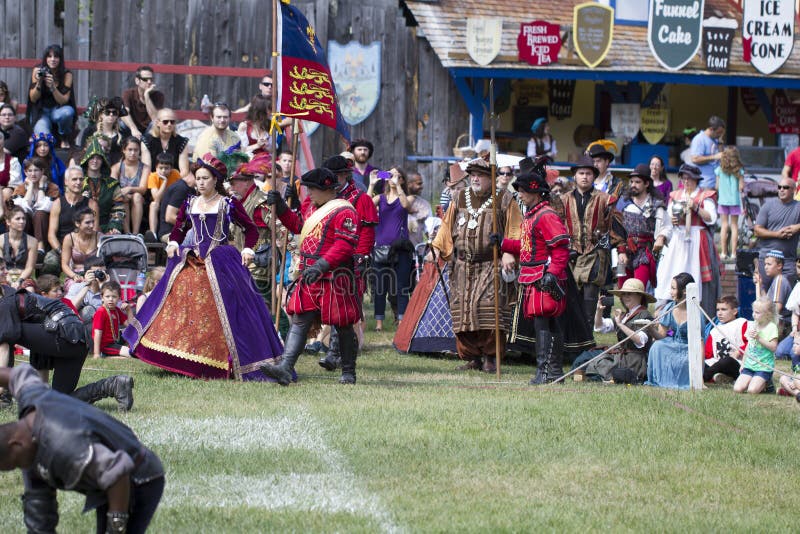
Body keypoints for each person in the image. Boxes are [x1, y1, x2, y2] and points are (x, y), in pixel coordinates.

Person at [123, 154, 284, 381]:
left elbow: (251, 229)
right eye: (197, 178)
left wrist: (248, 249)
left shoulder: (227, 203)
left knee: (228, 311)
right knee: (182, 307)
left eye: (205, 178)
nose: (200, 182)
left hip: (221, 260)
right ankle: (184, 358)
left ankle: (218, 362)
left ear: (215, 180)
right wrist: (173, 242)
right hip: (192, 259)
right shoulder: (190, 202)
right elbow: (179, 228)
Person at [0, 363, 163, 533]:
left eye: (13, 464)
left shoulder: (65, 445)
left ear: (16, 443)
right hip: (104, 473)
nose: (18, 467)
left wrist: (116, 527)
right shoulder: (32, 396)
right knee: (37, 512)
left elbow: (118, 471)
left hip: (138, 476)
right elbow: (19, 373)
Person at [261, 167, 362, 384]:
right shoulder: (312, 207)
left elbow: (345, 245)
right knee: (300, 321)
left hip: (335, 276)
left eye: (313, 189)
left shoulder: (345, 211)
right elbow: (298, 226)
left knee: (342, 325)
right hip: (310, 274)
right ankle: (286, 368)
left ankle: (348, 372)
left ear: (328, 189)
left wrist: (322, 265)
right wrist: (279, 206)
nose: (309, 194)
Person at [430, 158, 521, 372]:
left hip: (492, 264)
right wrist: (437, 247)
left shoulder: (505, 199)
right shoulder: (459, 197)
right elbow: (447, 225)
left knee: (489, 311)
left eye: (480, 175)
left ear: (491, 177)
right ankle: (474, 357)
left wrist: (509, 252)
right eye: (472, 175)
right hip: (462, 265)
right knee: (464, 312)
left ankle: (491, 357)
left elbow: (516, 228)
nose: (475, 178)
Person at [497, 158, 571, 383]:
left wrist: (553, 273)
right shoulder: (532, 214)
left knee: (545, 322)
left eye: (521, 191)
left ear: (535, 192)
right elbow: (528, 248)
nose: (518, 194)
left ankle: (548, 372)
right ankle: (549, 371)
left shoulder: (545, 215)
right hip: (533, 275)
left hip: (544, 277)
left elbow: (560, 247)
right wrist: (502, 243)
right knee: (544, 322)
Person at [560, 155, 624, 326]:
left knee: (589, 297)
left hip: (594, 253)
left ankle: (587, 337)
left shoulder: (604, 199)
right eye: (581, 173)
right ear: (575, 175)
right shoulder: (563, 199)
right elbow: (556, 225)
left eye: (589, 173)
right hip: (570, 254)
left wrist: (622, 250)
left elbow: (615, 226)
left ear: (594, 176)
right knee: (571, 298)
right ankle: (573, 339)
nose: (585, 176)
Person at [654, 163, 720, 317]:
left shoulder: (706, 196)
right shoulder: (675, 195)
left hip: (697, 240)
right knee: (671, 271)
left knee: (695, 275)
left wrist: (696, 207)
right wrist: (673, 221)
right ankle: (667, 312)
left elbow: (712, 218)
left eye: (689, 179)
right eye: (684, 178)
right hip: (677, 239)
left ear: (696, 180)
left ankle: (698, 311)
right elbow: (668, 218)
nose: (686, 182)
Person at [578, 278, 655, 384]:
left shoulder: (645, 315)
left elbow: (640, 340)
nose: (626, 297)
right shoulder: (624, 315)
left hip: (635, 361)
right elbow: (600, 326)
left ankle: (610, 378)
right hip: (621, 357)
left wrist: (620, 325)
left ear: (640, 296)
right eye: (623, 294)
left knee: (602, 365)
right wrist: (599, 311)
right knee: (591, 361)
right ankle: (606, 377)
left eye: (629, 294)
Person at [368, 166, 415, 331]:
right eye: (390, 174)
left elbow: (406, 207)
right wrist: (372, 185)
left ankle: (402, 322)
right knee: (380, 288)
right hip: (381, 248)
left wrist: (398, 186)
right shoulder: (380, 198)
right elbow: (365, 208)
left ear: (402, 179)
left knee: (402, 286)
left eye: (397, 176)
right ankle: (379, 323)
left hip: (401, 249)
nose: (393, 178)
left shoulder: (408, 196)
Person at [616, 163, 665, 290]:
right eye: (631, 181)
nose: (633, 185)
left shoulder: (656, 204)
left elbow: (666, 226)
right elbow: (615, 230)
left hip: (644, 252)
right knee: (623, 289)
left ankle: (640, 310)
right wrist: (621, 250)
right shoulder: (623, 203)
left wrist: (661, 237)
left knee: (638, 289)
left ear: (647, 184)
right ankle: (628, 311)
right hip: (623, 251)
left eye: (637, 182)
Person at [646, 273, 696, 389]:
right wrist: (650, 329)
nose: (670, 292)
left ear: (684, 291)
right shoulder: (668, 308)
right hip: (672, 343)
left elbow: (700, 342)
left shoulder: (695, 310)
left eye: (673, 288)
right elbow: (662, 335)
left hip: (689, 347)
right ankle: (658, 380)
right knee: (657, 346)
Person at [46, 166, 98, 267]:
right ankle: (51, 283)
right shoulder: (58, 203)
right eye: (74, 179)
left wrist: (82, 253)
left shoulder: (91, 204)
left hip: (86, 248)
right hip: (62, 247)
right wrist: (63, 253)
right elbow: (51, 235)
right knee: (50, 262)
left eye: (81, 179)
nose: (78, 182)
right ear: (66, 181)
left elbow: (94, 232)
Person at [753, 176, 800, 287]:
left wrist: (797, 227)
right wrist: (777, 234)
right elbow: (757, 230)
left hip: (787, 262)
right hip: (767, 260)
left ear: (794, 190)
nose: (781, 190)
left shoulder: (798, 207)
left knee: (785, 300)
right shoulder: (768, 206)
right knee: (764, 298)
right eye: (779, 187)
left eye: (785, 187)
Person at [26, 44, 76, 148]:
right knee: (43, 137)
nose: (52, 59)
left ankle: (64, 137)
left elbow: (64, 100)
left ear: (60, 59)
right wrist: (39, 83)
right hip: (40, 112)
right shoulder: (37, 71)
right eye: (49, 56)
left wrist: (53, 87)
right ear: (45, 58)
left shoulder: (67, 74)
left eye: (56, 57)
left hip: (58, 110)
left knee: (68, 112)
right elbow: (33, 98)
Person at [12, 156, 60, 255]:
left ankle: (40, 248)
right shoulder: (20, 188)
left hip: (45, 228)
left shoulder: (53, 188)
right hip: (26, 228)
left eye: (36, 170)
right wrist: (30, 188)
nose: (33, 174)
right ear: (25, 172)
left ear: (42, 171)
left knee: (40, 214)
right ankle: (22, 247)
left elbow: (43, 207)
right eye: (30, 171)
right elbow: (21, 208)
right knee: (22, 215)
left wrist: (41, 187)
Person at [734, 297, 778, 394]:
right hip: (749, 365)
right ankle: (755, 380)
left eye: (757, 312)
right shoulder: (752, 325)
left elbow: (773, 347)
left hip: (764, 367)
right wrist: (743, 363)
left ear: (768, 314)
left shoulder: (772, 327)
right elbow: (748, 347)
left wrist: (759, 338)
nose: (754, 314)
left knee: (752, 391)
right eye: (753, 311)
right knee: (737, 389)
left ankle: (768, 383)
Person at [80, 137, 125, 233]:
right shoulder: (78, 182)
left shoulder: (112, 184)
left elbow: (118, 208)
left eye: (98, 158)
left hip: (107, 228)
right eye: (92, 157)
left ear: (103, 161)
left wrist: (114, 227)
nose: (95, 161)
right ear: (87, 159)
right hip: (81, 228)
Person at [703, 295, 748, 384]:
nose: (719, 313)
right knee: (702, 363)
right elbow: (708, 353)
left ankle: (704, 377)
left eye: (723, 309)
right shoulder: (715, 329)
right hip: (717, 363)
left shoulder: (742, 323)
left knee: (727, 361)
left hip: (737, 363)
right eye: (718, 310)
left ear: (735, 311)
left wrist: (739, 351)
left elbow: (751, 343)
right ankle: (722, 378)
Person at [111, 136, 149, 234]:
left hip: (139, 200)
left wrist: (129, 188)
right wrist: (124, 194)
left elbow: (143, 189)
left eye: (136, 150)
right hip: (121, 199)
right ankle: (127, 233)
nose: (133, 153)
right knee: (122, 198)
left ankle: (135, 233)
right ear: (124, 150)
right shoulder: (116, 167)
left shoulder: (145, 168)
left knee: (136, 196)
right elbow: (113, 188)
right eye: (130, 150)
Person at [715, 146, 745, 260]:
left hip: (722, 200)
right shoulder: (739, 171)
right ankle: (733, 253)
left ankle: (723, 252)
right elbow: (741, 187)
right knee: (734, 226)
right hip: (734, 201)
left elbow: (717, 187)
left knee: (724, 225)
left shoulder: (719, 170)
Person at [141, 108, 190, 178]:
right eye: (165, 122)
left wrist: (171, 184)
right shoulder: (147, 140)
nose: (169, 124)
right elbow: (146, 170)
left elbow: (184, 171)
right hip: (153, 181)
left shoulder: (182, 142)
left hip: (175, 181)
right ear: (158, 123)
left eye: (172, 122)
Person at [144, 152, 181, 242]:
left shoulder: (176, 174)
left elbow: (180, 190)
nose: (163, 171)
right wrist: (164, 182)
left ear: (171, 168)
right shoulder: (153, 176)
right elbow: (156, 197)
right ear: (156, 167)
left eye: (166, 168)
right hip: (160, 202)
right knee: (153, 204)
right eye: (161, 168)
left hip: (171, 204)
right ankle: (153, 234)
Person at [60, 207, 101, 286]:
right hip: (76, 275)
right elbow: (64, 264)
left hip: (95, 275)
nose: (92, 225)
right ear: (77, 223)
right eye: (87, 222)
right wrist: (74, 276)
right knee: (74, 286)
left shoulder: (99, 237)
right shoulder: (69, 238)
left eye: (93, 222)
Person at [754, 250, 792, 336]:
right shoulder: (776, 280)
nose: (766, 267)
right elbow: (767, 302)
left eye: (769, 264)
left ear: (779, 265)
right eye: (765, 264)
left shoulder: (779, 280)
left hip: (782, 326)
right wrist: (760, 285)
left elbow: (776, 308)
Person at [120, 65, 165, 138]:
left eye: (151, 79)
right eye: (145, 79)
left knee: (156, 124)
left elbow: (155, 118)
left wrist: (147, 96)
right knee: (122, 124)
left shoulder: (158, 96)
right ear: (137, 81)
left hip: (149, 131)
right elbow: (124, 114)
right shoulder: (128, 94)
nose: (149, 82)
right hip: (133, 129)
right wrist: (133, 129)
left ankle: (147, 147)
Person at [92, 281, 133, 359]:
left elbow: (131, 327)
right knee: (131, 353)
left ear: (119, 298)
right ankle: (104, 355)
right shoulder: (101, 312)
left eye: (114, 296)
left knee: (129, 334)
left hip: (115, 341)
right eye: (107, 296)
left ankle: (116, 354)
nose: (111, 299)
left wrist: (129, 310)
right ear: (102, 297)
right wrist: (96, 353)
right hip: (106, 345)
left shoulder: (117, 310)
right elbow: (97, 333)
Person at [80, 97, 125, 164]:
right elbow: (83, 150)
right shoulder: (90, 131)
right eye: (107, 112)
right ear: (101, 115)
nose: (111, 115)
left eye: (114, 112)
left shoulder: (122, 133)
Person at [157, 167, 196, 242]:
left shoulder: (190, 189)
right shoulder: (181, 188)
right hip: (169, 232)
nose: (202, 182)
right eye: (200, 178)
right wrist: (193, 226)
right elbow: (170, 217)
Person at [1, 207, 37, 287]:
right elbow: (1, 267)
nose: (22, 221)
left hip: (24, 277)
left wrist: (19, 280)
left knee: (28, 290)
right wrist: (10, 280)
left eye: (24, 219)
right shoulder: (1, 240)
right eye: (18, 219)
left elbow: (30, 268)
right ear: (8, 222)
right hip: (4, 277)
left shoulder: (33, 241)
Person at [690, 115, 726, 189]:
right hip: (704, 184)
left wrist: (720, 142)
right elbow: (695, 159)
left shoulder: (716, 140)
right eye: (719, 132)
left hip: (717, 183)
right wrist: (714, 157)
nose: (720, 135)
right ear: (711, 129)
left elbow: (722, 157)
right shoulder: (699, 139)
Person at [406, 171, 432, 248]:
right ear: (408, 184)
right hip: (395, 253)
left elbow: (429, 231)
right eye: (419, 183)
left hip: (416, 252)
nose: (422, 186)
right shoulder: (395, 202)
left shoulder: (425, 205)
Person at [777, 335, 800, 400]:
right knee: (783, 378)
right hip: (796, 381)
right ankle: (797, 394)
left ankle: (789, 392)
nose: (794, 346)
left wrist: (795, 382)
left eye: (797, 344)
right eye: (793, 343)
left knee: (796, 381)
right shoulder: (795, 358)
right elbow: (793, 372)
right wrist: (791, 382)